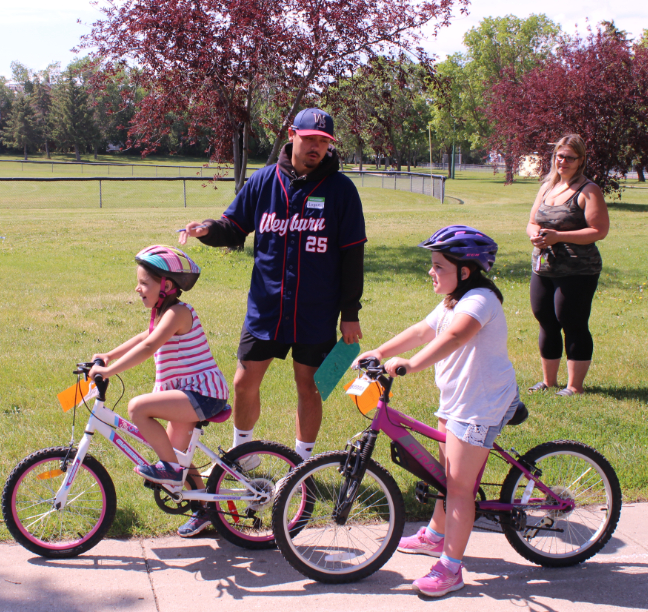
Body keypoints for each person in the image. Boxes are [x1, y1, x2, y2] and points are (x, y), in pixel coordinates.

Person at [179, 107, 366, 462]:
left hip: (316, 311)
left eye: (324, 142)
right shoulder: (264, 181)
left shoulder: (342, 191)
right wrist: (206, 229)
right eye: (310, 138)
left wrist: (350, 313)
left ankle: (303, 464)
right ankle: (243, 454)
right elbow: (232, 227)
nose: (316, 147)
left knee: (309, 388)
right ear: (292, 134)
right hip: (266, 309)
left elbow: (352, 256)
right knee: (243, 383)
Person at [356, 225, 520, 598]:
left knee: (460, 487)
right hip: (460, 398)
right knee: (446, 476)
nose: (431, 272)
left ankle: (451, 568)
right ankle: (435, 534)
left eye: (438, 266)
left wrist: (410, 366)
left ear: (465, 270)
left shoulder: (479, 300)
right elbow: (422, 330)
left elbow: (455, 337)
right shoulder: (451, 299)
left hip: (481, 404)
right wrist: (378, 353)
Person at [89, 245, 229, 538]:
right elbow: (144, 337)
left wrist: (108, 372)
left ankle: (170, 470)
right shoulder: (161, 311)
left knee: (138, 408)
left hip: (203, 394)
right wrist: (108, 355)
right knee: (178, 455)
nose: (138, 288)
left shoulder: (177, 313)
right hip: (187, 392)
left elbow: (150, 346)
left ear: (166, 286)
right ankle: (203, 511)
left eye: (144, 283)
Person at [525, 134, 609, 397]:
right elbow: (532, 221)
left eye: (570, 157)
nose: (563, 161)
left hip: (578, 270)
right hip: (544, 266)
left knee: (572, 321)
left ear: (580, 160)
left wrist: (559, 236)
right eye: (559, 156)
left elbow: (599, 230)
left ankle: (575, 386)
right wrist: (534, 235)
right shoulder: (547, 187)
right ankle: (548, 382)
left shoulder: (588, 190)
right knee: (546, 319)